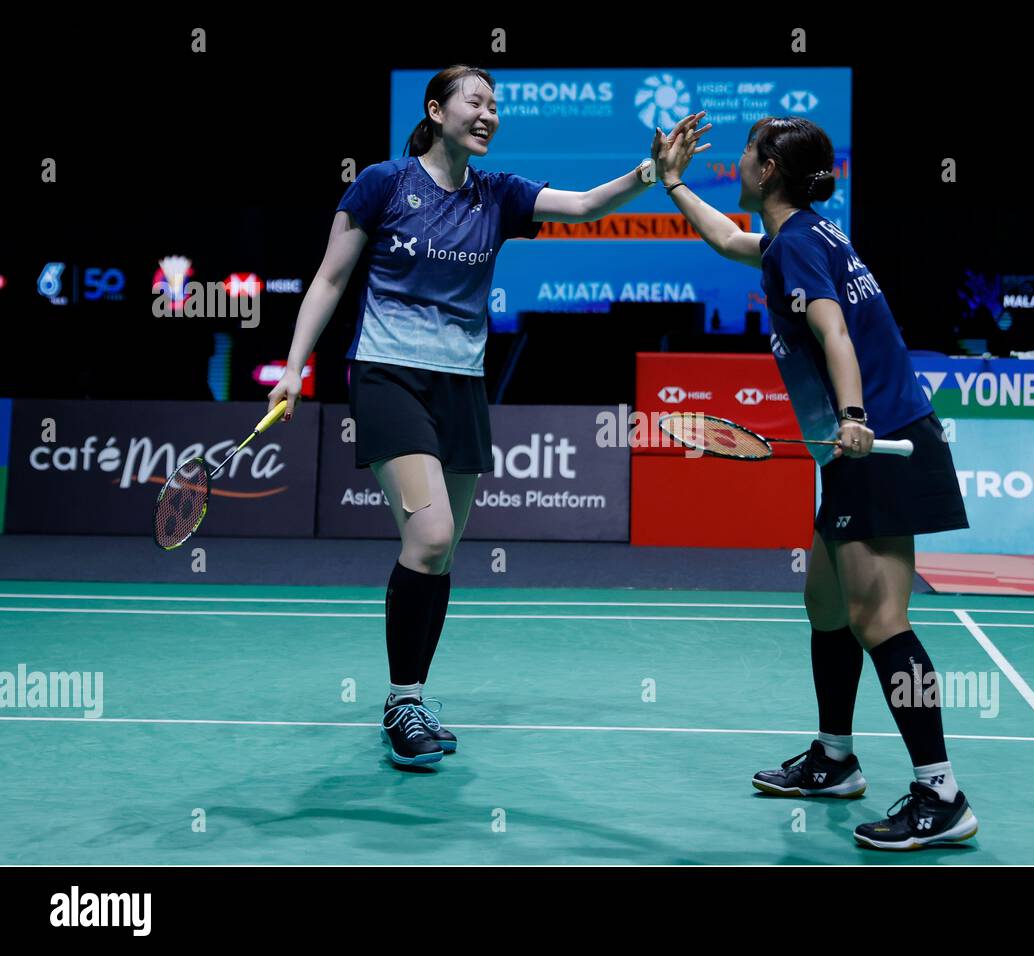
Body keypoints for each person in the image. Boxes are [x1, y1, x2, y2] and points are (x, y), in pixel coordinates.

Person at [267, 65, 688, 768]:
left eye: (496, 105)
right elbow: (331, 277)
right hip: (389, 378)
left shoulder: (500, 195)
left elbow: (585, 206)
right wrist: (292, 364)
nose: (489, 114)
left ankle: (414, 695)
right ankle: (403, 704)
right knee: (428, 535)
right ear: (436, 110)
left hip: (461, 386)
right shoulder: (382, 183)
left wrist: (655, 169)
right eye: (475, 101)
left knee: (440, 554)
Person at [657, 112, 979, 849]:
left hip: (877, 441)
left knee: (880, 621)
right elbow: (732, 242)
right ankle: (835, 758)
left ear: (768, 169)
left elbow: (833, 329)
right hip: (853, 448)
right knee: (826, 605)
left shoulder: (802, 245)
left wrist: (855, 414)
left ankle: (942, 792)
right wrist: (672, 181)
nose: (737, 161)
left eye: (746, 152)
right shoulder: (802, 235)